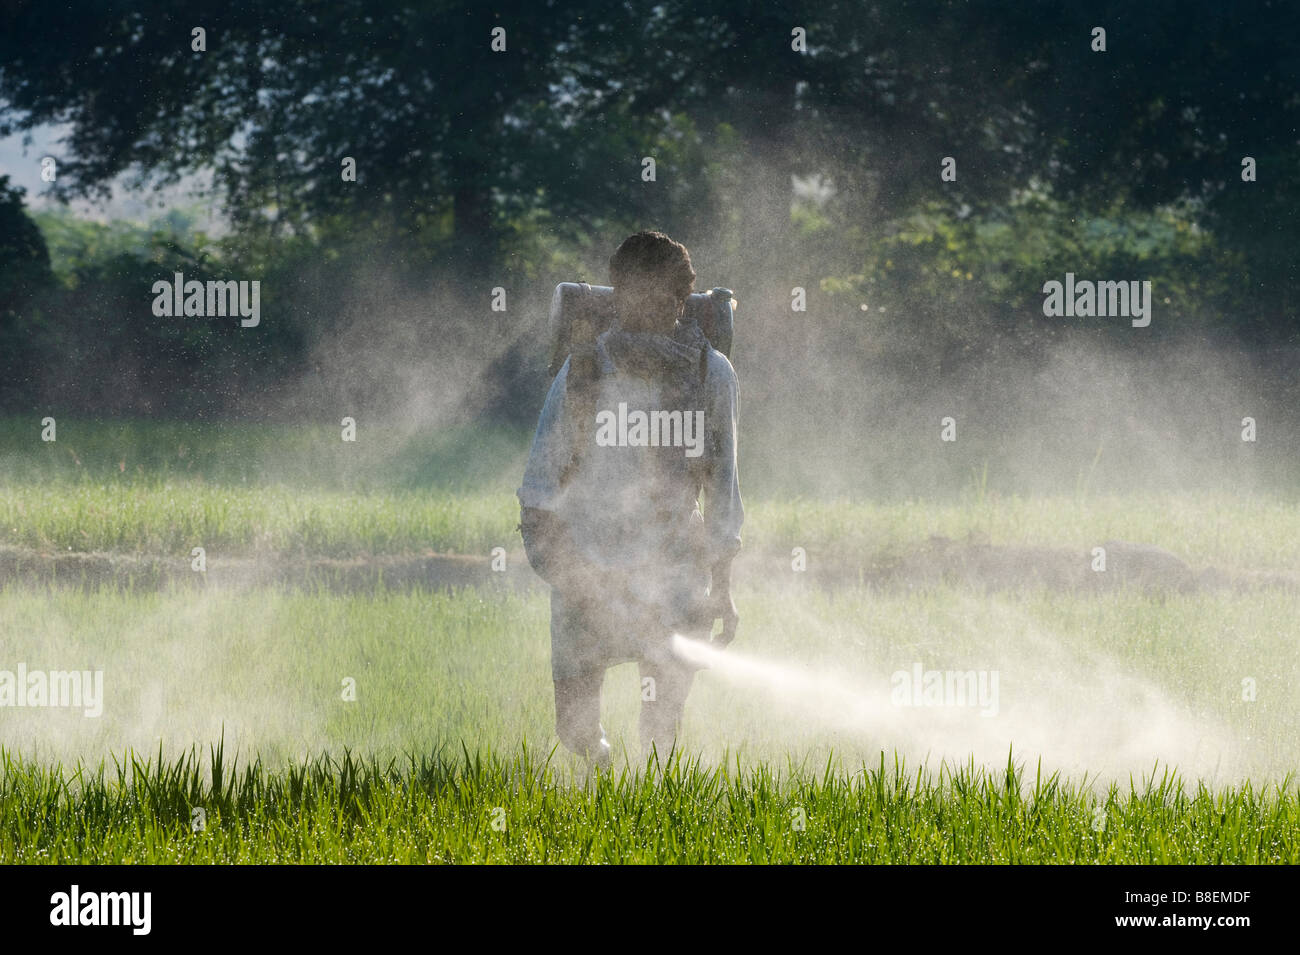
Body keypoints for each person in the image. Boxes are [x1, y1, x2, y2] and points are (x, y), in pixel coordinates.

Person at [517, 231, 743, 766]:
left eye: (664, 299)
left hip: (675, 571)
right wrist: (572, 575)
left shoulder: (712, 374)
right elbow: (539, 489)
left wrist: (723, 588)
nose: (651, 312)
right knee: (574, 731)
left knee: (661, 730)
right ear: (617, 297)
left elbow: (723, 486)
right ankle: (600, 769)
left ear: (682, 301)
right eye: (637, 297)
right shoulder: (585, 371)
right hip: (587, 566)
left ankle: (645, 820)